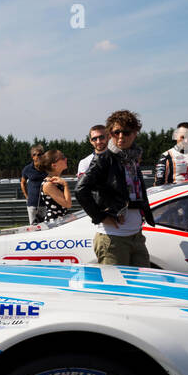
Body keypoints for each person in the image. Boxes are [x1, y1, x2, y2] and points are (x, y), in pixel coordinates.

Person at [77, 109, 155, 267]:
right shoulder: (104, 159)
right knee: (116, 291)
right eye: (116, 132)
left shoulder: (132, 158)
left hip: (136, 235)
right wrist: (100, 216)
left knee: (143, 287)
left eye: (126, 132)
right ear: (110, 133)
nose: (121, 137)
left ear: (135, 134)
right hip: (113, 238)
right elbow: (81, 190)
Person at [40, 151, 73, 221]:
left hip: (61, 220)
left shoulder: (56, 181)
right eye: (62, 158)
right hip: (55, 222)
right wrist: (65, 185)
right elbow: (68, 204)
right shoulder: (48, 184)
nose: (66, 159)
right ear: (54, 165)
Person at [21, 144, 46, 223]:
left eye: (39, 154)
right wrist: (26, 196)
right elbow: (22, 183)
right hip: (32, 203)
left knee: (46, 227)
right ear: (32, 157)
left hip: (45, 203)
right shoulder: (27, 169)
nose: (37, 156)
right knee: (33, 227)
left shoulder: (47, 168)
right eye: (34, 155)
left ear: (43, 155)